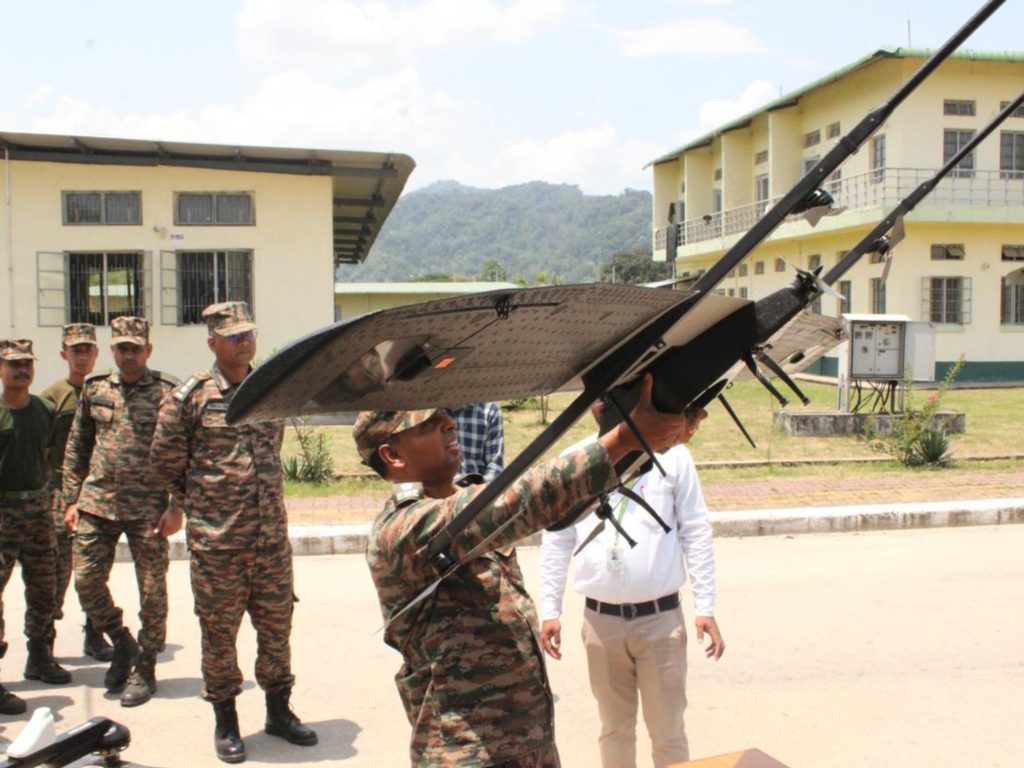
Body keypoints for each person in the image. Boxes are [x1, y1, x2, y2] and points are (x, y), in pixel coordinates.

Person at [356, 374, 691, 768]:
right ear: (393, 455)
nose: (448, 423)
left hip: (528, 742)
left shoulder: (464, 500)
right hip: (464, 753)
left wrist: (649, 441)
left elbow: (563, 505)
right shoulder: (402, 528)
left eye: (444, 415)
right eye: (427, 424)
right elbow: (524, 498)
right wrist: (623, 440)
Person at [149, 301, 316, 764]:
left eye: (249, 334)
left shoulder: (269, 390)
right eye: (234, 336)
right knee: (219, 635)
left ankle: (279, 711)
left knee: (277, 630)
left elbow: (272, 446)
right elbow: (164, 460)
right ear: (212, 343)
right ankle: (226, 719)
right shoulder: (191, 396)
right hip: (218, 544)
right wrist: (200, 503)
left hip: (270, 543)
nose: (244, 343)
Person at [538, 404, 725, 768]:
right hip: (601, 624)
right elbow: (557, 539)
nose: (605, 404)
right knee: (614, 730)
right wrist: (550, 609)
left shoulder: (673, 457)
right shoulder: (575, 460)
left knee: (668, 732)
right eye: (597, 397)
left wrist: (705, 606)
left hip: (660, 622)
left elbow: (695, 531)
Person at [62, 316, 180, 707]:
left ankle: (145, 668)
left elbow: (183, 451)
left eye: (135, 348)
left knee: (153, 592)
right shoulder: (95, 388)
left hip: (148, 508)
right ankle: (122, 641)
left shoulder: (168, 391)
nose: (128, 355)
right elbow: (78, 446)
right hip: (97, 503)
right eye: (122, 348)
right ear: (112, 350)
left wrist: (176, 505)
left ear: (148, 349)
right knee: (86, 581)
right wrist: (71, 499)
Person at [0, 338, 71, 715]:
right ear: (1, 369)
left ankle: (40, 656)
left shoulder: (44, 409)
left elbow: (51, 457)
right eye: (14, 364)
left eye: (27, 363)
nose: (22, 370)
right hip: (3, 512)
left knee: (45, 588)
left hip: (39, 511)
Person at [38, 322, 113, 662]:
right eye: (76, 350)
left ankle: (95, 633)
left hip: (98, 491)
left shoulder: (107, 393)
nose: (82, 356)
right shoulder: (52, 398)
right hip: (58, 492)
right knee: (56, 569)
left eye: (87, 349)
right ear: (63, 354)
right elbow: (41, 449)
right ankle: (44, 641)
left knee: (95, 568)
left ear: (96, 353)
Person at [451, 402, 505, 481]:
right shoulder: (434, 409)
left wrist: (482, 487)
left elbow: (495, 467)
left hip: (474, 486)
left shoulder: (490, 410)